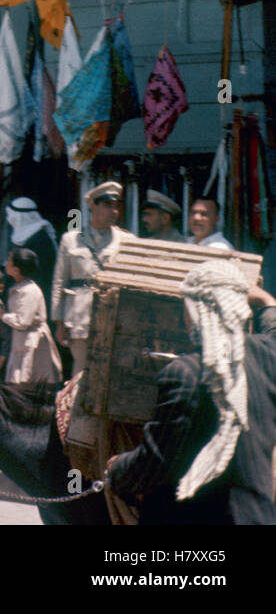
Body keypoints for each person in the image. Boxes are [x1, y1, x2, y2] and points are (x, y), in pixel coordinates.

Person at [107, 262, 276, 524]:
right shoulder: (267, 357)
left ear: (195, 311)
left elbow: (154, 465)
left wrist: (117, 468)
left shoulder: (184, 374)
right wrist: (265, 299)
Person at [52, 181, 133, 378]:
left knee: (110, 373)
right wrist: (59, 322)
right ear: (93, 206)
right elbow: (59, 282)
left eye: (116, 206)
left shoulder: (127, 241)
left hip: (114, 315)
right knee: (81, 372)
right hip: (80, 316)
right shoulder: (70, 239)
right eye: (107, 205)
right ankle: (75, 409)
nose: (113, 211)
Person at [0, 247, 62, 384]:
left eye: (9, 261)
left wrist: (3, 316)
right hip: (21, 341)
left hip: (32, 342)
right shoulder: (18, 288)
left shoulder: (29, 291)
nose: (6, 263)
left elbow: (23, 322)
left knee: (30, 381)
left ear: (16, 270)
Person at [3, 197, 58, 317]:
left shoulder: (40, 240)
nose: (10, 219)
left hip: (35, 299)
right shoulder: (29, 237)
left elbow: (35, 274)